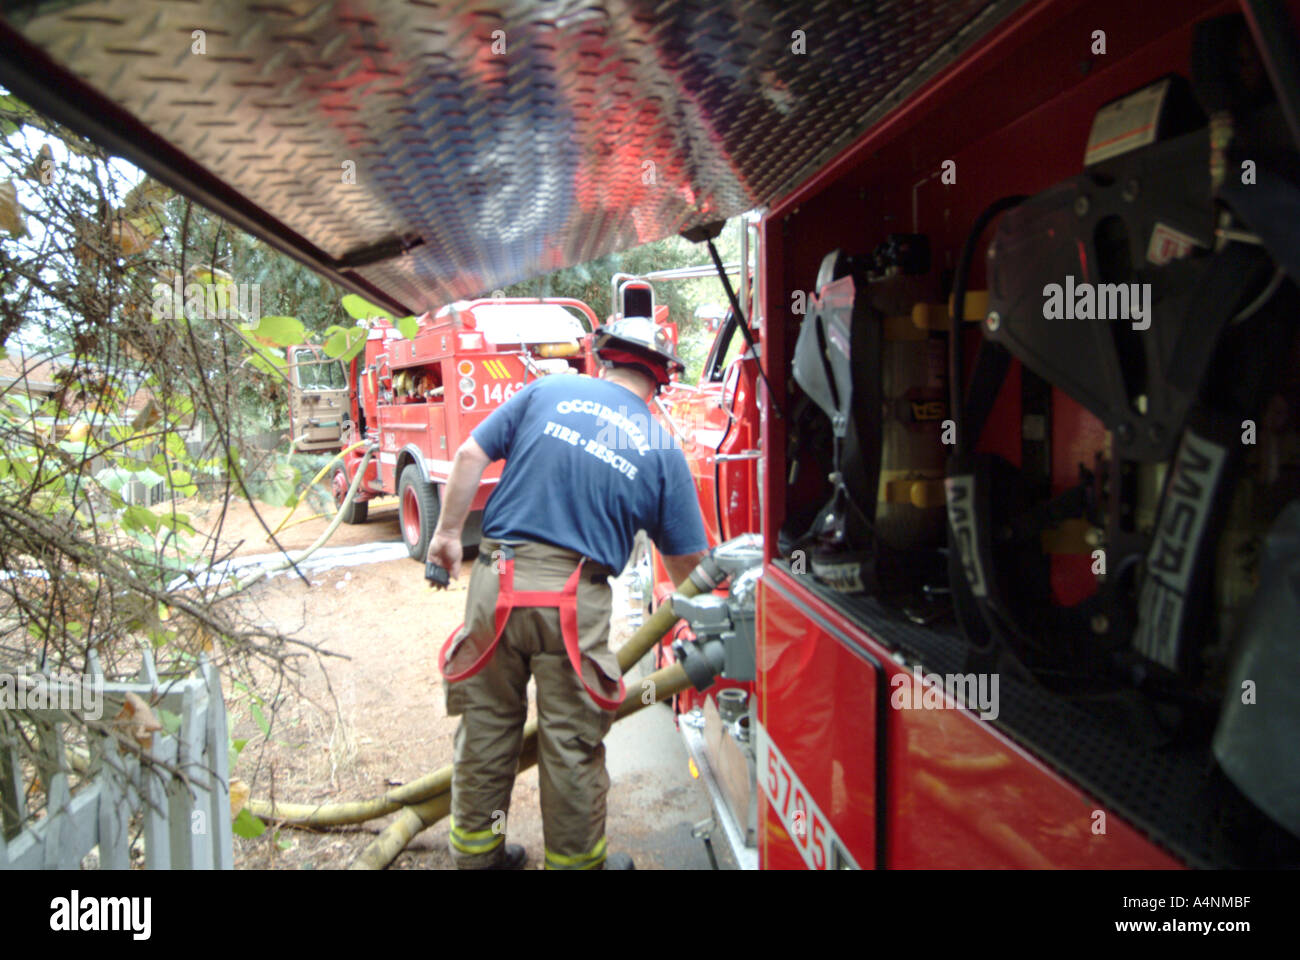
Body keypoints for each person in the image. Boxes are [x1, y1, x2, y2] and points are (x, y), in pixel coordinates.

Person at [427, 316, 708, 870]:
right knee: (570, 743)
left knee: (487, 725)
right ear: (660, 380)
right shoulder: (661, 446)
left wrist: (446, 537)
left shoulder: (546, 389)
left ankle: (478, 857)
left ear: (603, 358)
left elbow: (467, 458)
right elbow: (688, 569)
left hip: (494, 582)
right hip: (573, 602)